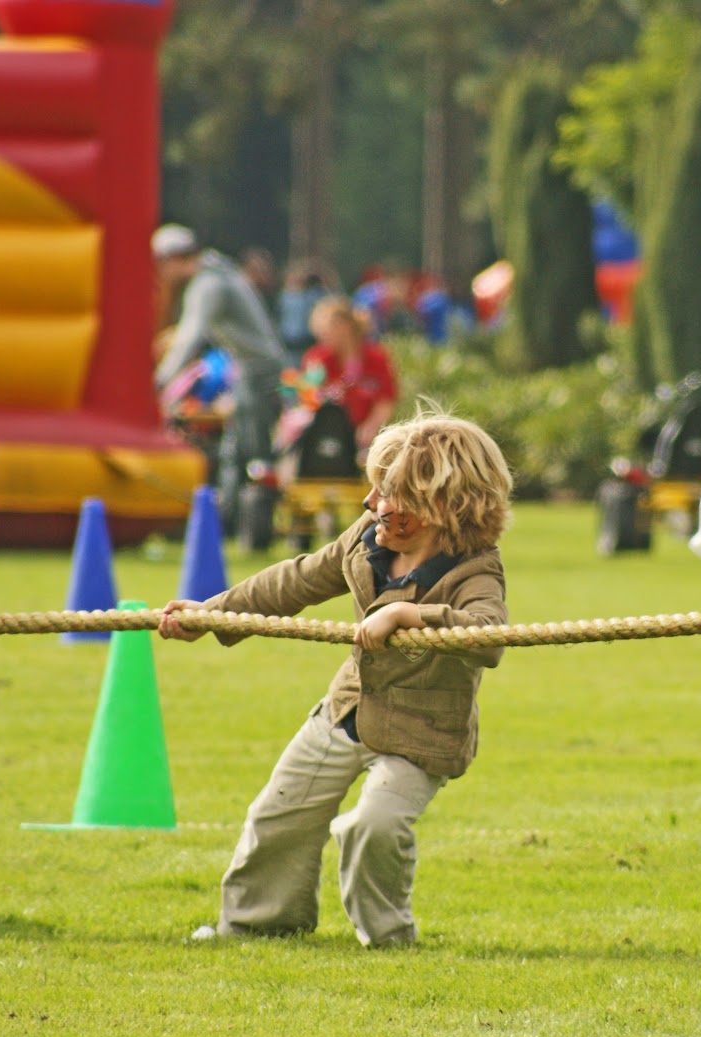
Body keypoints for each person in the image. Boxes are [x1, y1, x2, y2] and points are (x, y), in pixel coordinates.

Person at [158, 411, 512, 947]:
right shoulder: (369, 539)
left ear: (440, 507)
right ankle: (258, 923)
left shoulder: (474, 570)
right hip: (347, 711)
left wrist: (410, 616)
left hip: (421, 734)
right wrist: (212, 613)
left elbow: (488, 637)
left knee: (374, 826)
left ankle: (389, 937)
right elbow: (300, 577)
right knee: (279, 813)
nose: (371, 503)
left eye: (387, 494)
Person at [152, 223, 288, 531]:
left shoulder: (209, 284)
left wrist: (160, 383)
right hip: (246, 369)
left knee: (252, 453)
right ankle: (226, 523)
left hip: (257, 371)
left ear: (174, 258)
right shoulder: (220, 275)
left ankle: (254, 528)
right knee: (234, 450)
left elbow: (191, 335)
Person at [301, 296, 399, 452]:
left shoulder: (377, 358)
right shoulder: (316, 359)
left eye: (327, 330)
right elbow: (308, 398)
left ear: (345, 326)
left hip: (369, 439)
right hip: (328, 437)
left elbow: (386, 399)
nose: (322, 336)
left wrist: (371, 427)